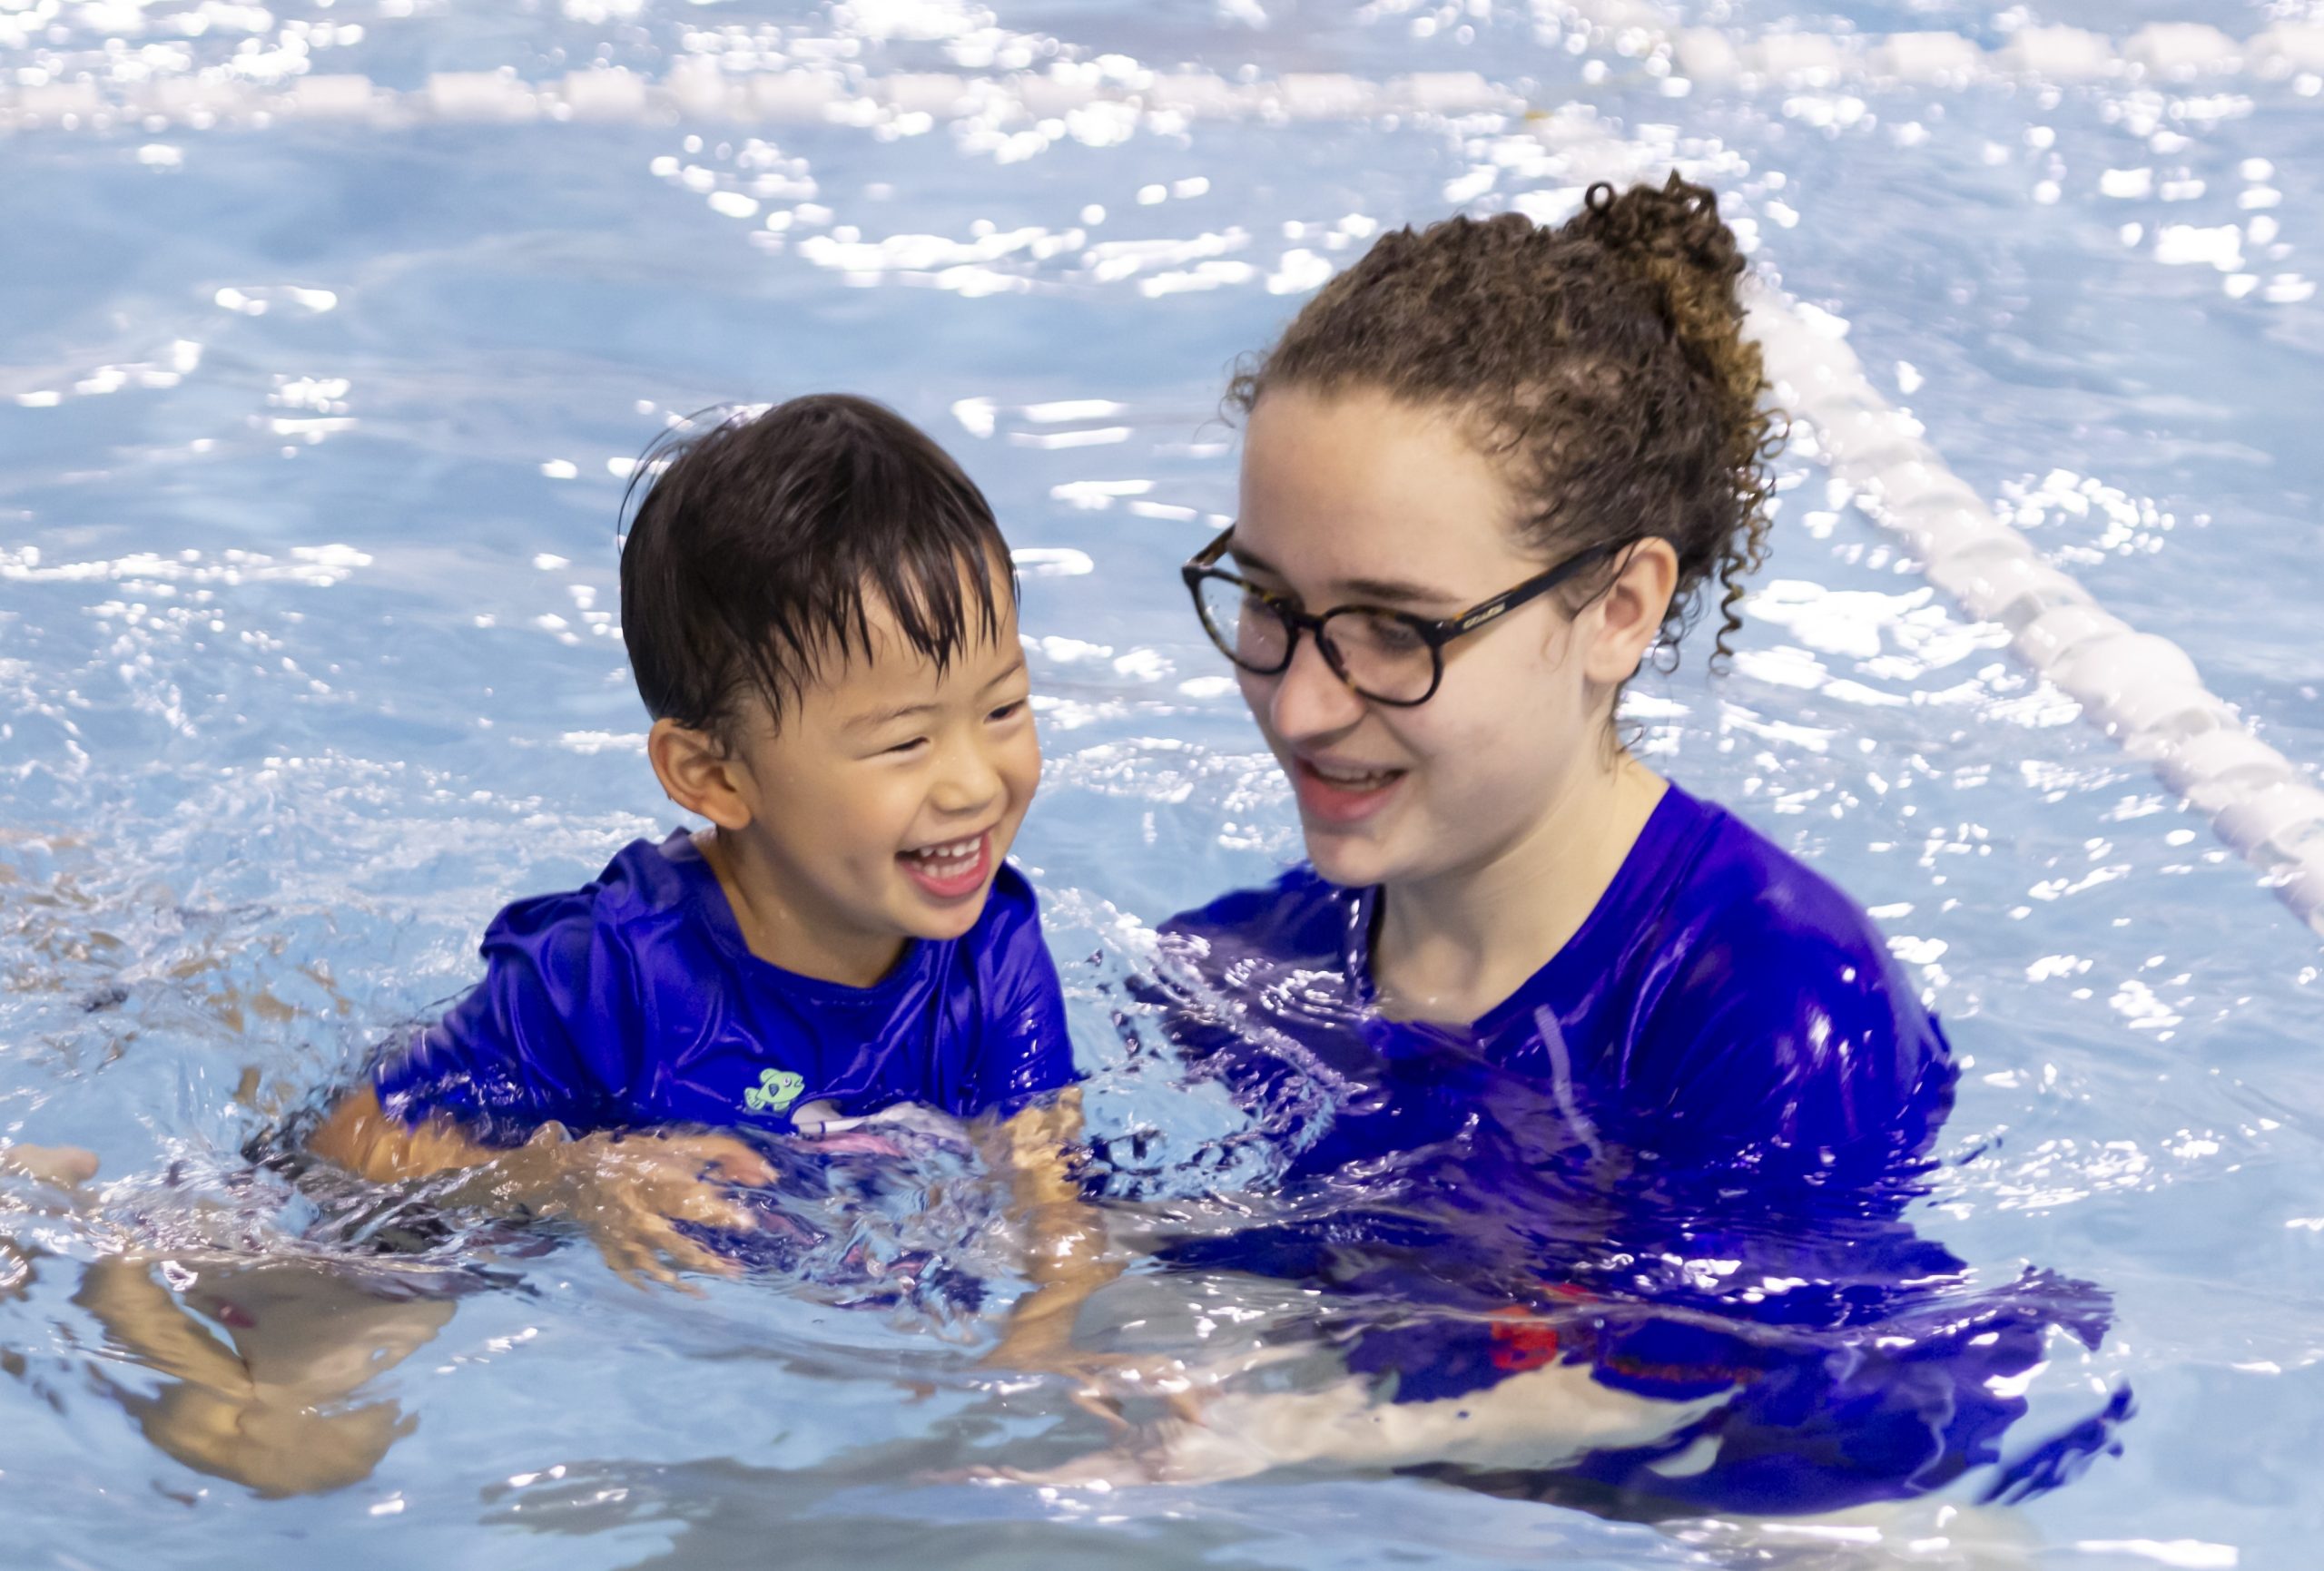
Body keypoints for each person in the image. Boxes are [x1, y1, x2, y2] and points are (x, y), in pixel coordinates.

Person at [1067, 177, 2118, 1515]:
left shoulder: (1777, 1004)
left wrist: (1299, 1429)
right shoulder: (1242, 971)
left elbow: (1728, 1375)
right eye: (1271, 603)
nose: (1302, 701)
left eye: (1398, 627)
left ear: (1619, 609)